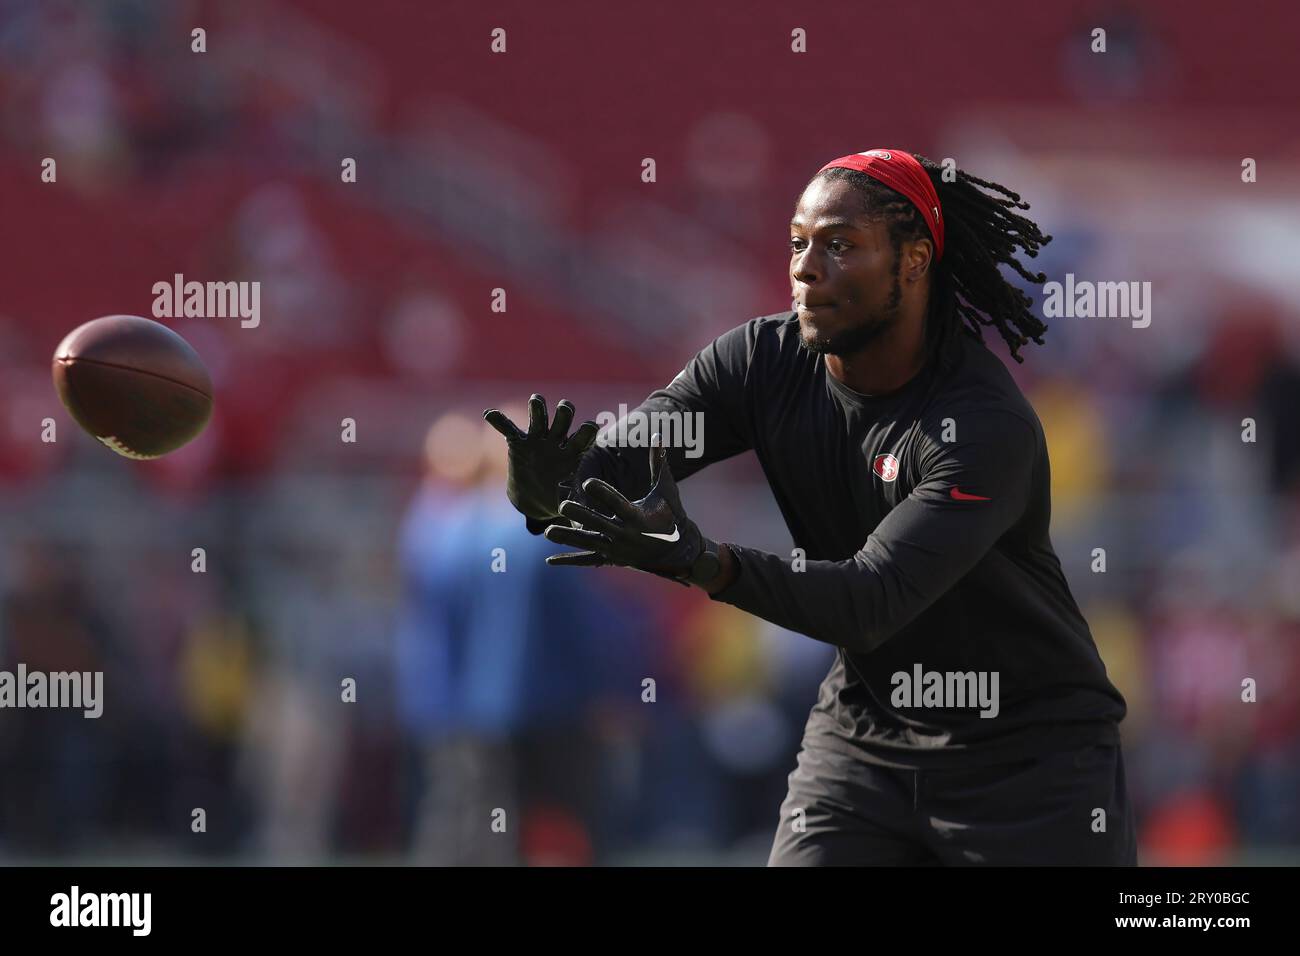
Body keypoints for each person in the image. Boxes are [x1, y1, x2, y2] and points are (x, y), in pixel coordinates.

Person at [485, 149, 1136, 866]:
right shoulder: (759, 363)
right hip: (866, 737)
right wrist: (547, 492)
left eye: (840, 245)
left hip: (1029, 761)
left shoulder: (981, 425)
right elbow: (606, 476)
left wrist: (705, 563)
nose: (806, 266)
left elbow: (871, 602)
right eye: (799, 242)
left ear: (914, 261)